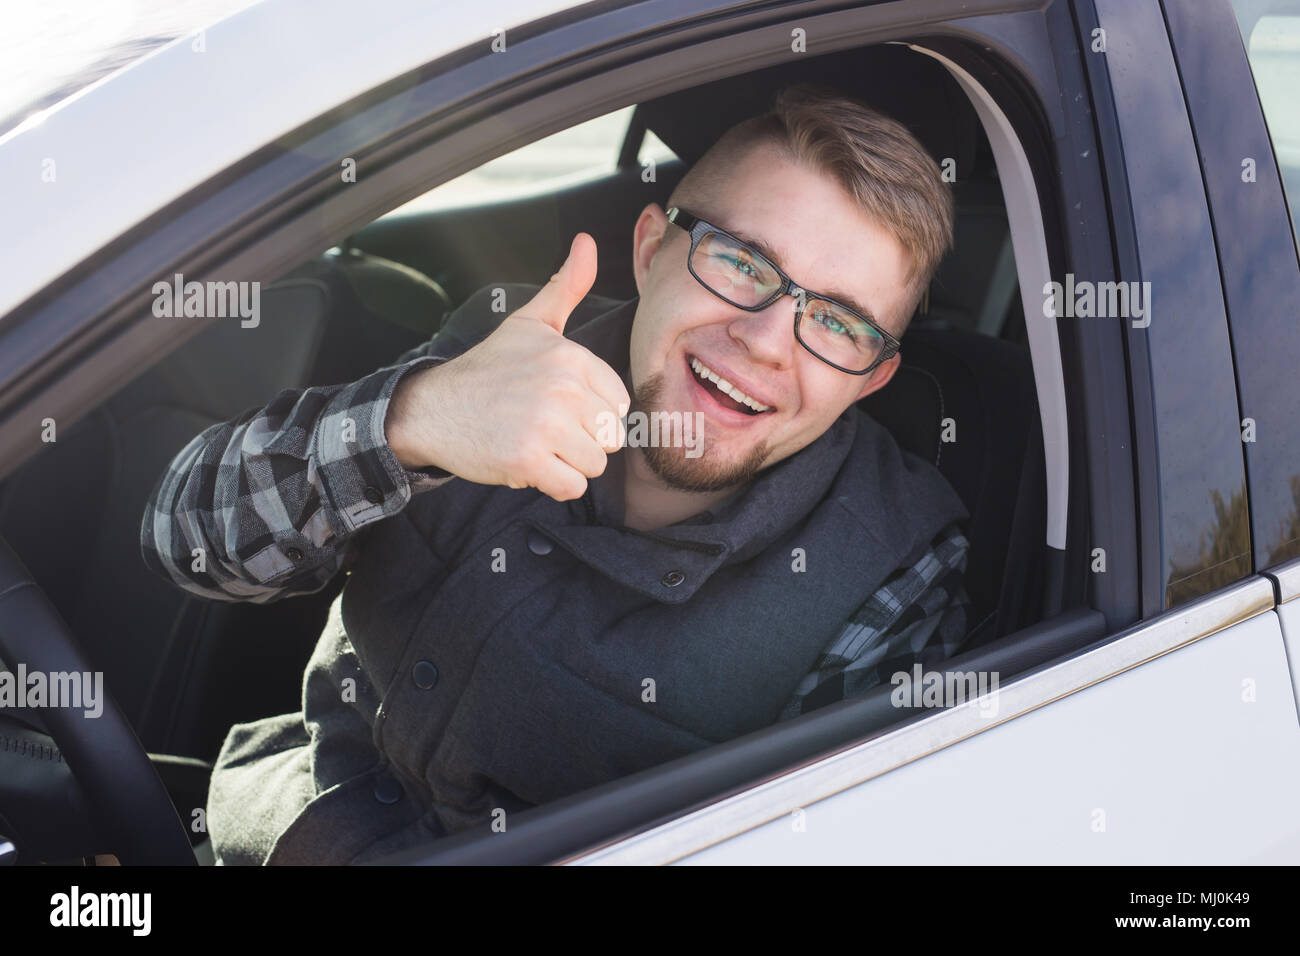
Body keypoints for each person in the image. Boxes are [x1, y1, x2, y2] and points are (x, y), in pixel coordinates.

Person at [140, 83, 970, 864]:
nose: (764, 341)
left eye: (838, 322)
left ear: (870, 378)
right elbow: (184, 542)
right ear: (650, 250)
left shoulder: (896, 566)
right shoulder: (497, 352)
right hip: (272, 830)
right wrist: (410, 423)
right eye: (744, 263)